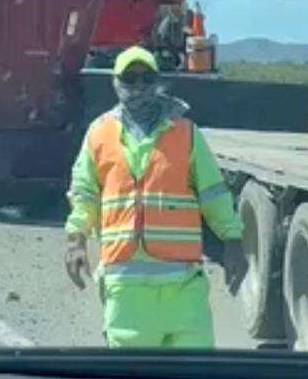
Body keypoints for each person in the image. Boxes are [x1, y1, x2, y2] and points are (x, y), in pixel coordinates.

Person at [63, 45, 248, 348]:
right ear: (115, 83)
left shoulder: (186, 133)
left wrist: (233, 240)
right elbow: (84, 192)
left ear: (157, 82)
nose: (138, 87)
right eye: (129, 79)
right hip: (125, 287)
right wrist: (76, 240)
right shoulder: (99, 134)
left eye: (145, 78)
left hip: (183, 288)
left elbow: (213, 193)